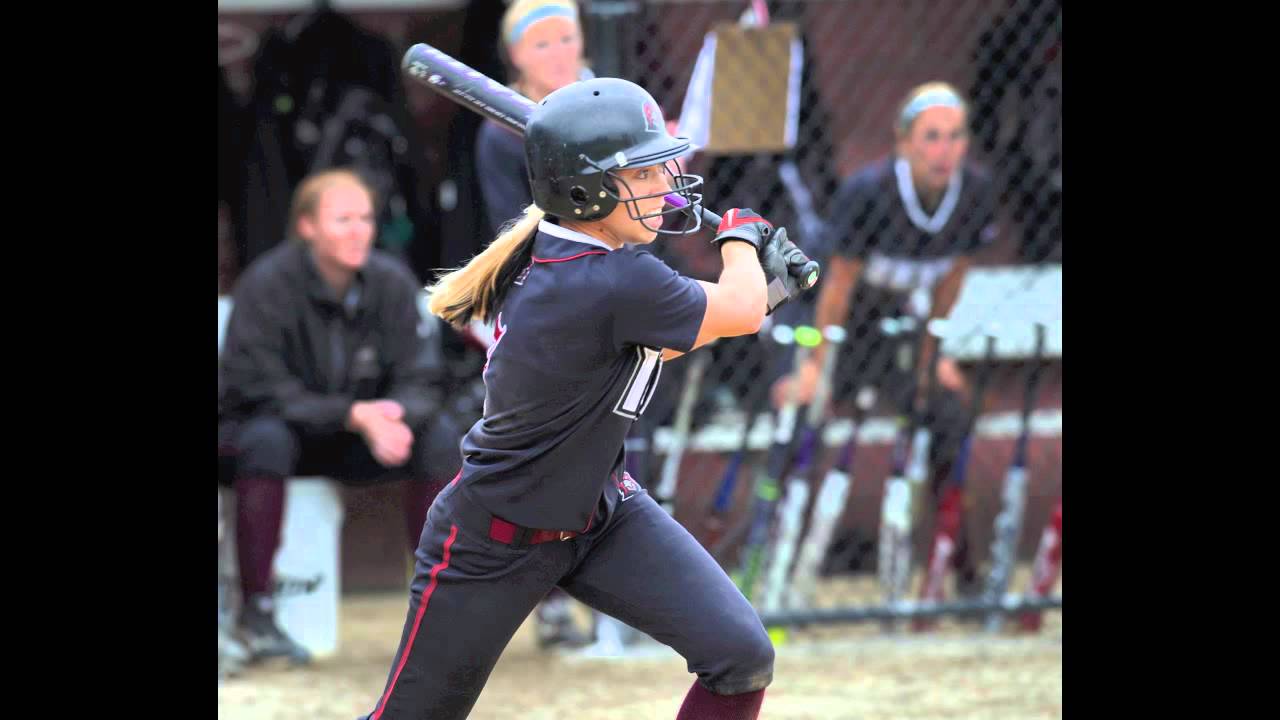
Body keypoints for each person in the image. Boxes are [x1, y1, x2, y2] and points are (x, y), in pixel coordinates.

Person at [356, 77, 815, 720]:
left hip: (601, 517)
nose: (665, 185)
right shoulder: (608, 278)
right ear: (585, 190)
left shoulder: (592, 267)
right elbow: (733, 310)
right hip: (495, 539)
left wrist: (765, 290)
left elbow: (674, 338)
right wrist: (742, 236)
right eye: (644, 172)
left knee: (739, 658)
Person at [218, 168, 463, 665]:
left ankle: (443, 611)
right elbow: (255, 388)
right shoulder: (266, 283)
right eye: (343, 218)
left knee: (440, 437)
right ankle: (257, 614)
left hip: (359, 439)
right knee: (265, 439)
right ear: (306, 226)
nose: (359, 230)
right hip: (278, 434)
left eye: (366, 218)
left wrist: (392, 413)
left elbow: (423, 376)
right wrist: (354, 414)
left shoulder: (390, 281)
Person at [772, 81, 1000, 592]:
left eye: (956, 136)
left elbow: (950, 283)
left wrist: (930, 358)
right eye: (932, 137)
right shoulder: (868, 192)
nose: (945, 151)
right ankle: (778, 569)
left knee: (949, 410)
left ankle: (958, 566)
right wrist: (816, 365)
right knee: (800, 406)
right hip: (819, 318)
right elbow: (836, 289)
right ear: (904, 142)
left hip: (892, 328)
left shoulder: (976, 194)